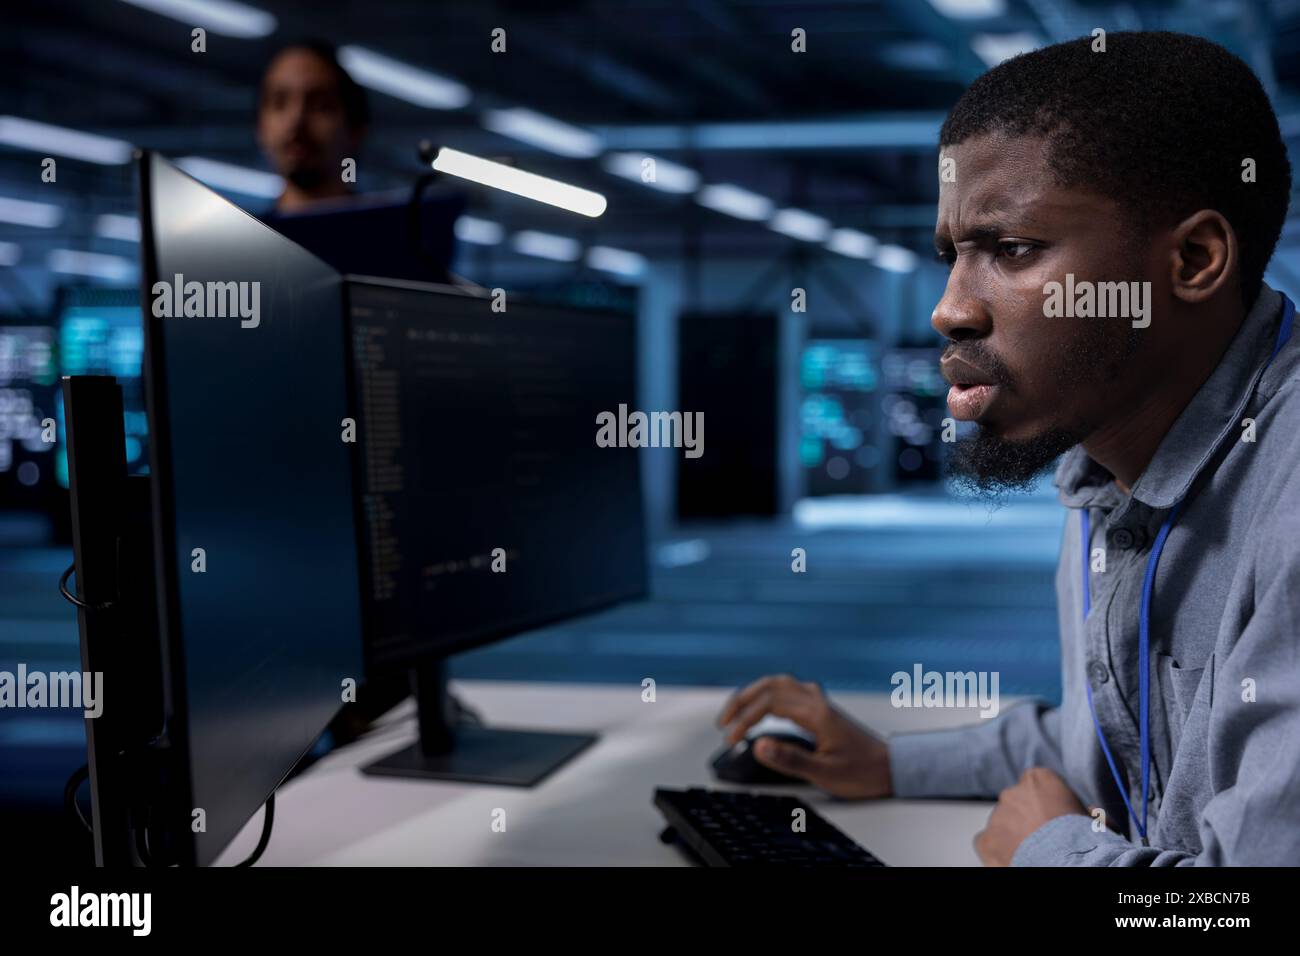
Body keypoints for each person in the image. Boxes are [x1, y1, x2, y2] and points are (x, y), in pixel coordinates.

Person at [719, 31, 1300, 866]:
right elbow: (1113, 734)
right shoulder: (1101, 467)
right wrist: (886, 760)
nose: (949, 310)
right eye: (953, 254)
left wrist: (1049, 852)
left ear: (1195, 259)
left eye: (1013, 250)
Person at [256, 40, 369, 213]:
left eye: (320, 105)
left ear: (355, 128)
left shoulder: (399, 237)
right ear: (260, 127)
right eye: (279, 103)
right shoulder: (240, 239)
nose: (296, 119)